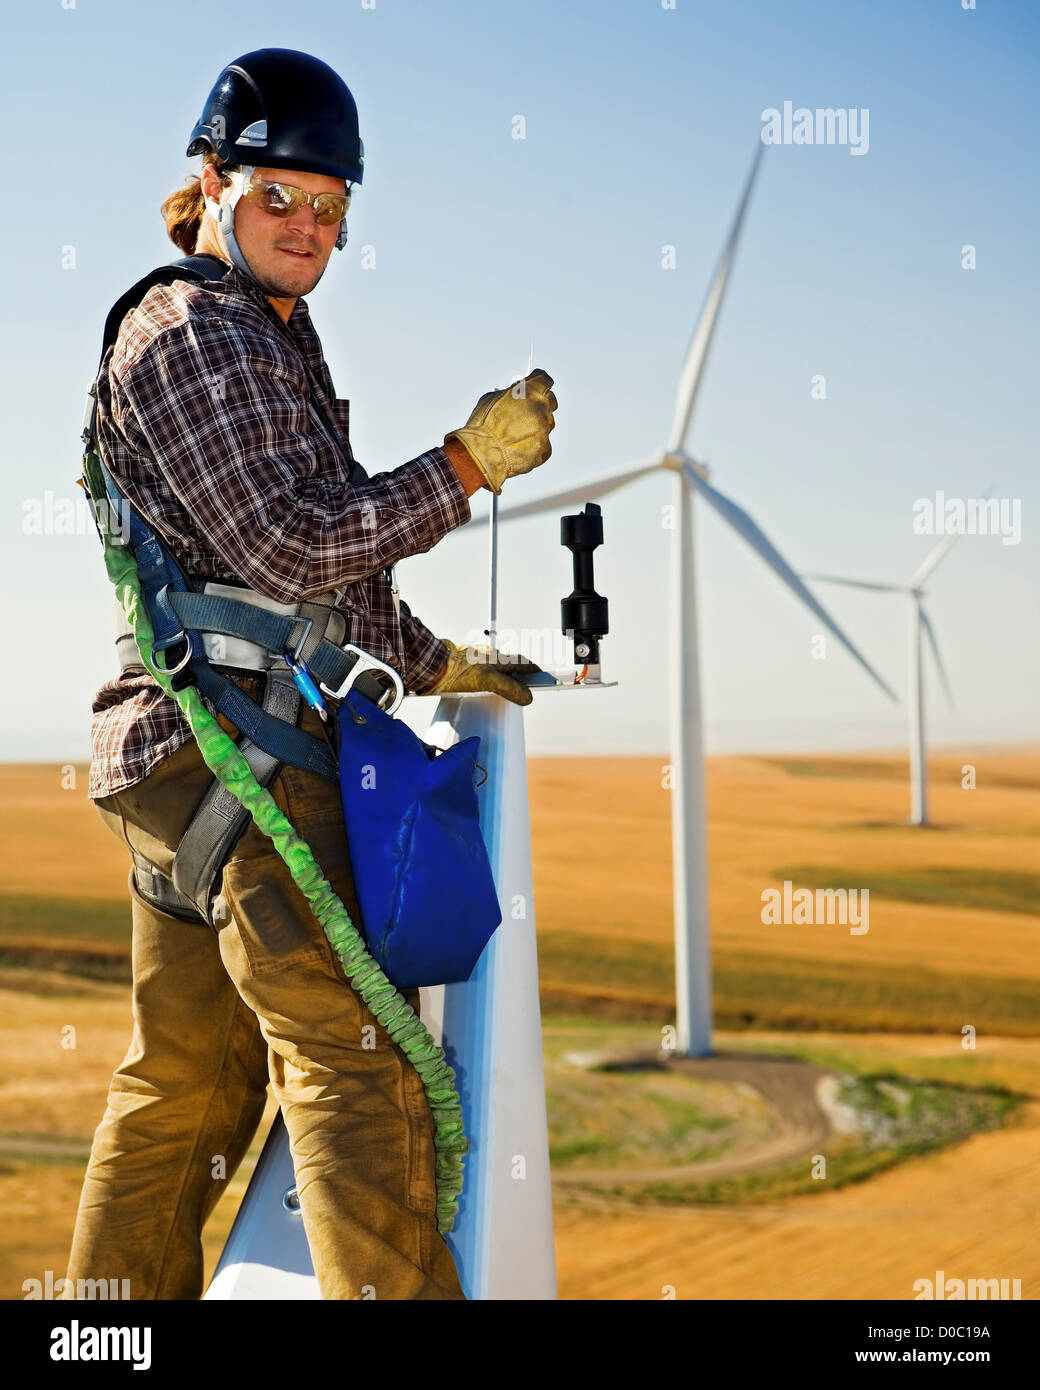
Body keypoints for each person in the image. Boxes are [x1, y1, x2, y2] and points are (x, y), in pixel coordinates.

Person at [65, 47, 556, 1301]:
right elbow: (284, 542)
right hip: (240, 755)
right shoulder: (190, 331)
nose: (307, 225)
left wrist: (434, 656)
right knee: (357, 1063)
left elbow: (320, 572)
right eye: (280, 194)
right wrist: (460, 466)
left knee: (179, 1089)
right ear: (214, 184)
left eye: (331, 207)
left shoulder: (274, 338)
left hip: (191, 758)